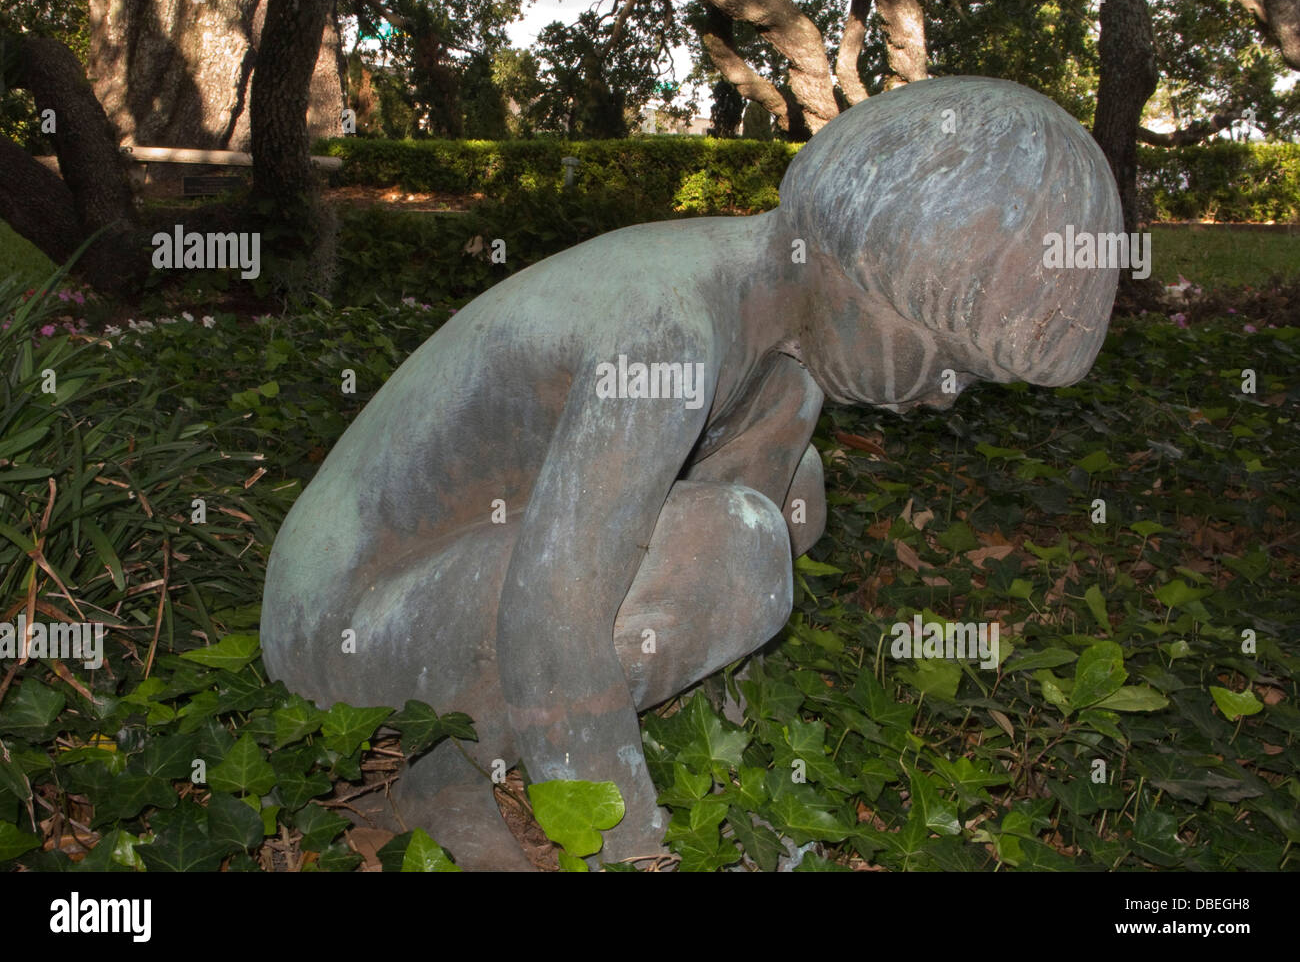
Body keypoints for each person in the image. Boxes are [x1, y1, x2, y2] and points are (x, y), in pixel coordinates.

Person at [261, 76, 1121, 870]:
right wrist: (633, 851)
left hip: (449, 591)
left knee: (788, 504)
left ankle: (459, 764)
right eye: (946, 359)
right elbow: (553, 619)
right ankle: (431, 770)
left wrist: (742, 802)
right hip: (346, 628)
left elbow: (727, 598)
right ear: (863, 270)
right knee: (733, 545)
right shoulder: (668, 330)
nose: (944, 394)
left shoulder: (790, 362)